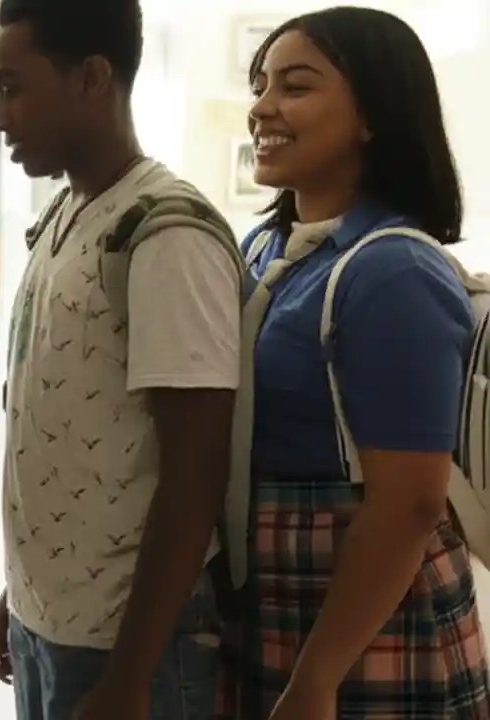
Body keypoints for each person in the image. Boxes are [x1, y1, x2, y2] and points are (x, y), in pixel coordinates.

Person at [217, 8, 490, 718]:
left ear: (373, 115)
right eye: (260, 85)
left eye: (296, 87)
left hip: (362, 617)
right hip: (276, 593)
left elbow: (408, 503)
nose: (263, 109)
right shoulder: (265, 250)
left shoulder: (394, 269)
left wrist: (316, 678)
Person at [0, 1, 242, 718]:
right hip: (51, 629)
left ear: (93, 78)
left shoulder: (164, 234)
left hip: (130, 648)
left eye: (11, 88)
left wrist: (130, 677)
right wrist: (19, 596)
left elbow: (194, 475)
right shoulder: (62, 219)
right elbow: (66, 440)